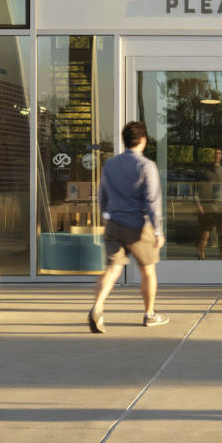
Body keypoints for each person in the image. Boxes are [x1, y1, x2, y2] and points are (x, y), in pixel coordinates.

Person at [88, 121, 170, 333]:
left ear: (125, 141)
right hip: (139, 227)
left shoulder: (110, 164)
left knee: (112, 269)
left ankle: (98, 306)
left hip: (114, 224)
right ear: (143, 140)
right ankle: (149, 314)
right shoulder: (146, 166)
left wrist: (107, 216)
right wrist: (158, 231)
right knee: (148, 271)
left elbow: (102, 195)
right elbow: (152, 201)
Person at [195, 146, 222, 260]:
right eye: (215, 153)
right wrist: (198, 205)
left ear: (221, 156)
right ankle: (201, 259)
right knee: (204, 235)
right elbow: (196, 190)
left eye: (219, 153)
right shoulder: (204, 172)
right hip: (208, 208)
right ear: (211, 156)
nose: (217, 155)